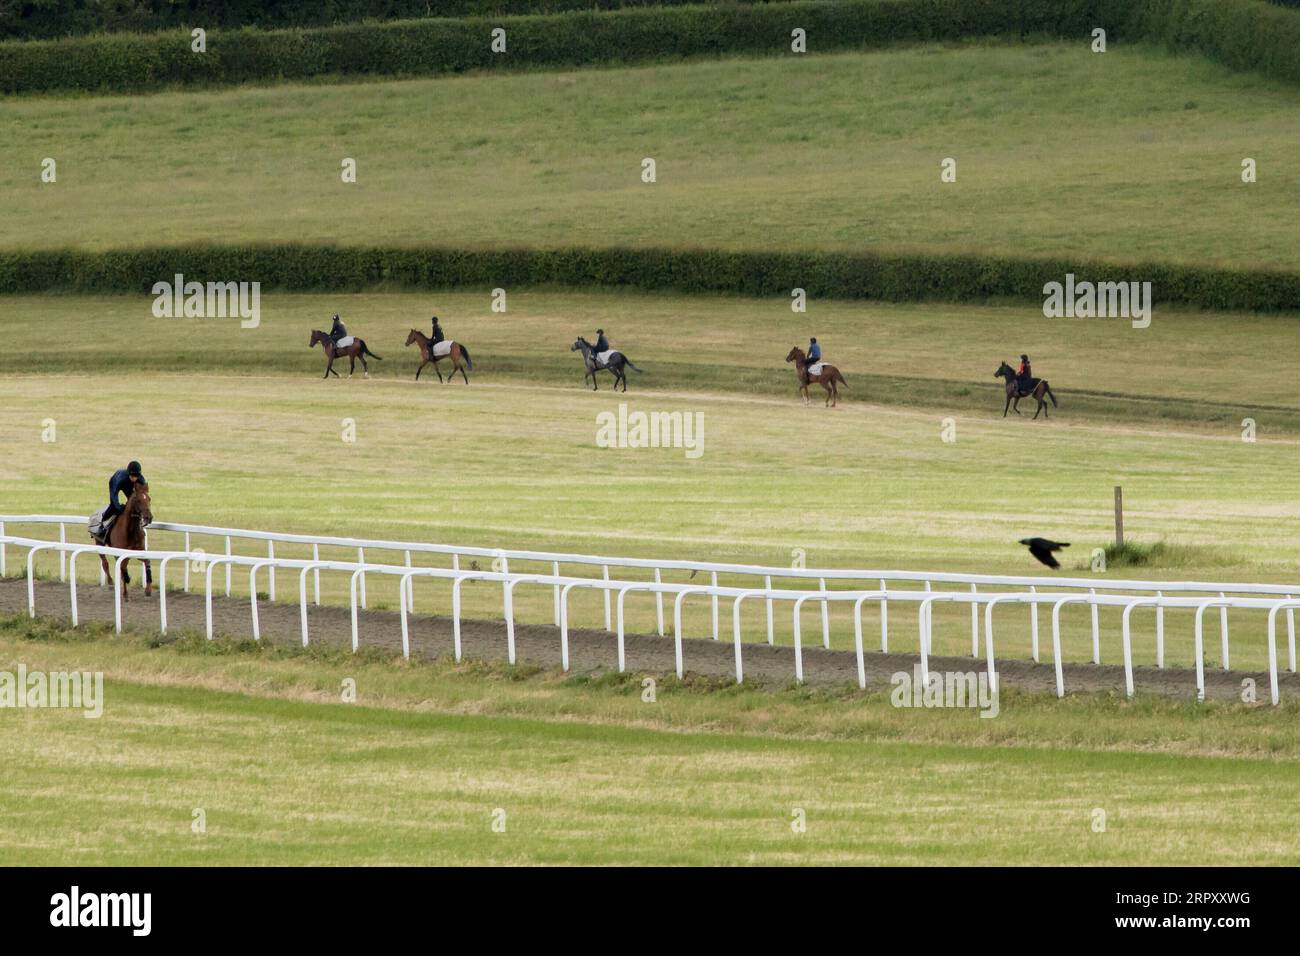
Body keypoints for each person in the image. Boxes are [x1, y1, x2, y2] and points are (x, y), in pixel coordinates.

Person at [103, 461, 145, 535]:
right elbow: (114, 495)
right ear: (129, 474)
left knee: (133, 502)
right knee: (113, 506)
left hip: (128, 485)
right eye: (132, 476)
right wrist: (119, 508)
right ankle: (102, 523)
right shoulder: (120, 480)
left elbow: (142, 496)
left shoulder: (141, 480)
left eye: (136, 476)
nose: (134, 479)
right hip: (115, 482)